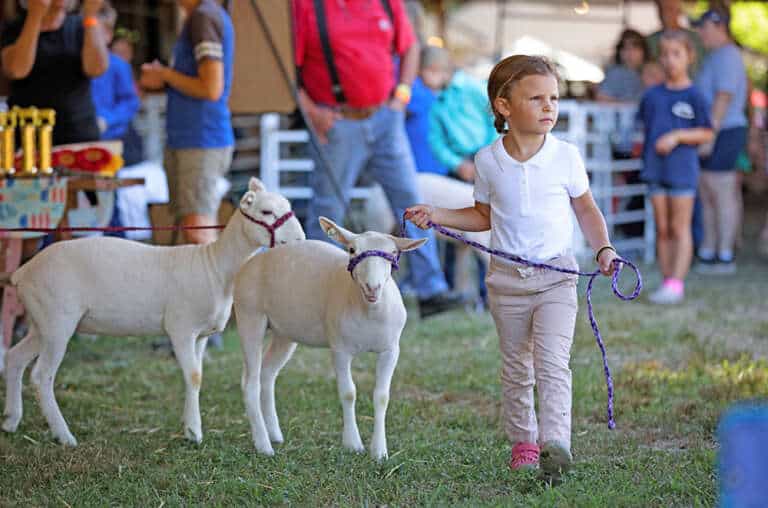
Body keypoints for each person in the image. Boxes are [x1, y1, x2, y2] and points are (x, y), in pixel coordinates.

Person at [406, 55, 620, 482]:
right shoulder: (488, 161)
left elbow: (587, 209)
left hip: (557, 277)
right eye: (536, 98)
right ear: (504, 106)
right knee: (517, 367)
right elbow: (483, 216)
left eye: (554, 98)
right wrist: (439, 214)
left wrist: (604, 249)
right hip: (506, 282)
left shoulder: (566, 156)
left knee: (553, 363)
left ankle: (555, 443)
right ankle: (524, 440)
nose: (549, 107)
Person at [292, 0, 462, 318]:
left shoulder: (386, 2)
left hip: (385, 117)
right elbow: (289, 68)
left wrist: (402, 94)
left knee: (411, 202)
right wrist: (312, 112)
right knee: (328, 209)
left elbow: (410, 46)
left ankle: (431, 291)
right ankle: (312, 296)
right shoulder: (307, 7)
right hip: (338, 120)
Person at [139, 0, 234, 350]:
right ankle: (190, 326)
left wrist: (164, 75)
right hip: (191, 137)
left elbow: (211, 87)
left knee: (198, 231)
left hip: (201, 137)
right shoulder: (201, 16)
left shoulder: (204, 17)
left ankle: (211, 328)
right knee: (188, 229)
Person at [636, 30, 713, 304]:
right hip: (656, 169)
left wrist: (678, 136)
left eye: (676, 54)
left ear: (689, 57)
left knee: (681, 228)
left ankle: (676, 283)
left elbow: (707, 132)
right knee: (663, 227)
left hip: (682, 171)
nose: (670, 60)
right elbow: (642, 127)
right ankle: (667, 280)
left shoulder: (696, 96)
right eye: (665, 54)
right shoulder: (652, 95)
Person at [1, 0, 109, 146]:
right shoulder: (15, 28)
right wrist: (35, 15)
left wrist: (90, 14)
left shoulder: (81, 25)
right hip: (28, 135)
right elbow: (16, 70)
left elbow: (97, 69)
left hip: (78, 133)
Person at [693, 9, 749, 274]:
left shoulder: (728, 56)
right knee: (708, 191)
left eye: (704, 27)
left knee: (721, 191)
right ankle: (710, 251)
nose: (700, 33)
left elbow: (724, 98)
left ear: (718, 26)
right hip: (717, 130)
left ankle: (724, 256)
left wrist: (709, 136)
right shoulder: (717, 56)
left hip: (724, 131)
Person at [424, 45, 497, 183]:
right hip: (461, 165)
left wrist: (489, 152)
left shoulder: (472, 87)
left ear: (435, 68)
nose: (421, 81)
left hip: (490, 156)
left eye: (422, 75)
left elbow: (498, 116)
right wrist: (457, 164)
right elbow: (436, 140)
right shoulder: (436, 104)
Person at [646, 0, 706, 74]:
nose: (664, 13)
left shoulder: (696, 38)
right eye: (661, 9)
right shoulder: (648, 41)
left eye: (669, 9)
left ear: (679, 12)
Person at [596, 28, 648, 104]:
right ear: (619, 52)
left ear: (644, 51)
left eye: (635, 48)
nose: (630, 53)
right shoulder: (616, 73)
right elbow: (602, 99)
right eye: (625, 48)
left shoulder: (651, 72)